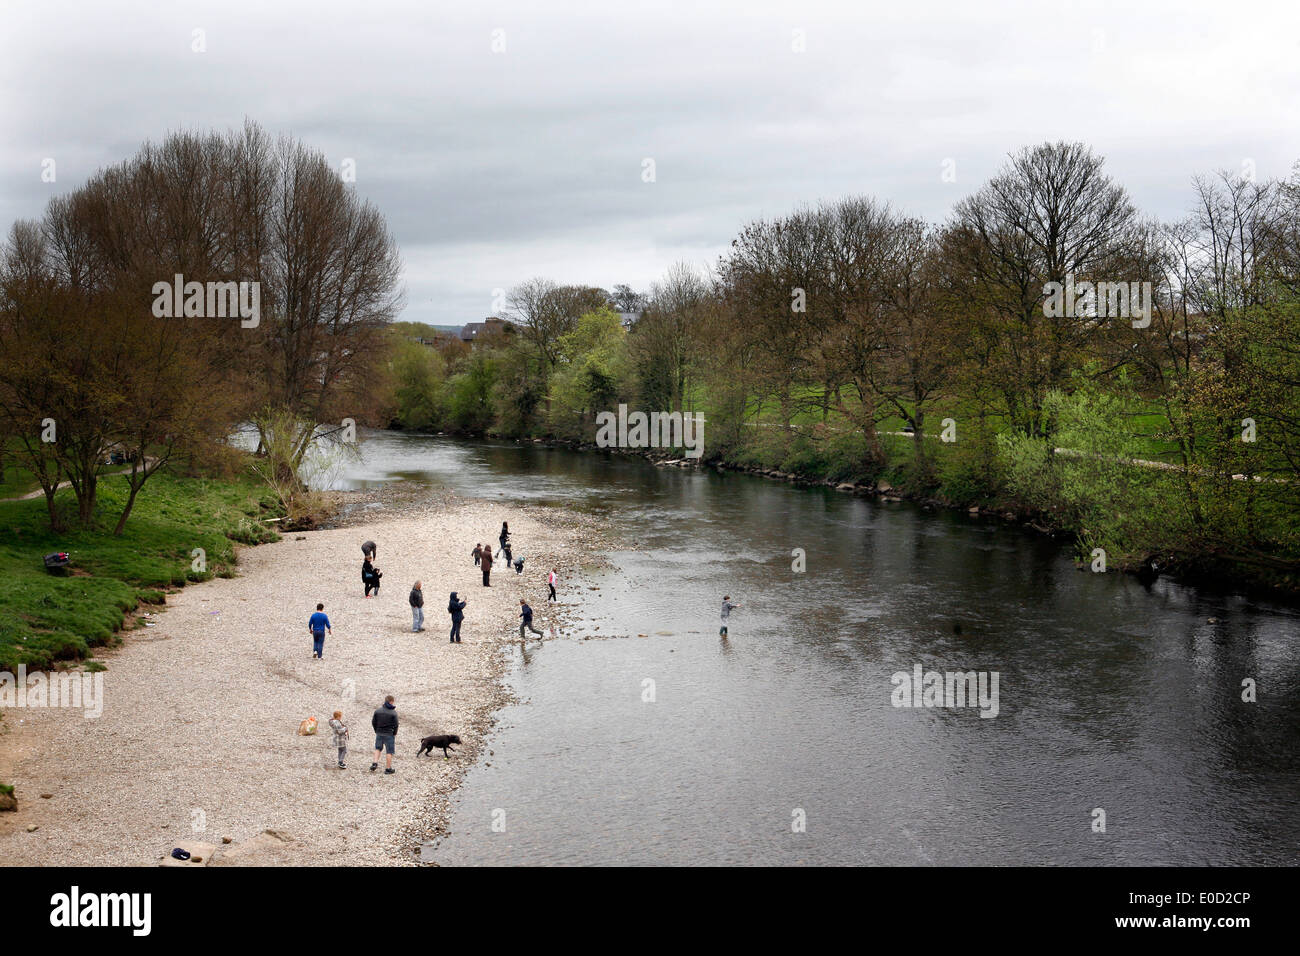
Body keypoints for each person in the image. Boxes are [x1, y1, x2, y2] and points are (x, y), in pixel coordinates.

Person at [370, 695, 398, 774]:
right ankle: (388, 768)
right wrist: (395, 733)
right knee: (389, 751)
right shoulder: (393, 712)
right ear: (391, 702)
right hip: (389, 734)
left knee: (378, 748)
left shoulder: (378, 711)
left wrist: (376, 730)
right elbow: (396, 725)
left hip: (379, 733)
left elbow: (373, 722)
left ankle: (374, 763)